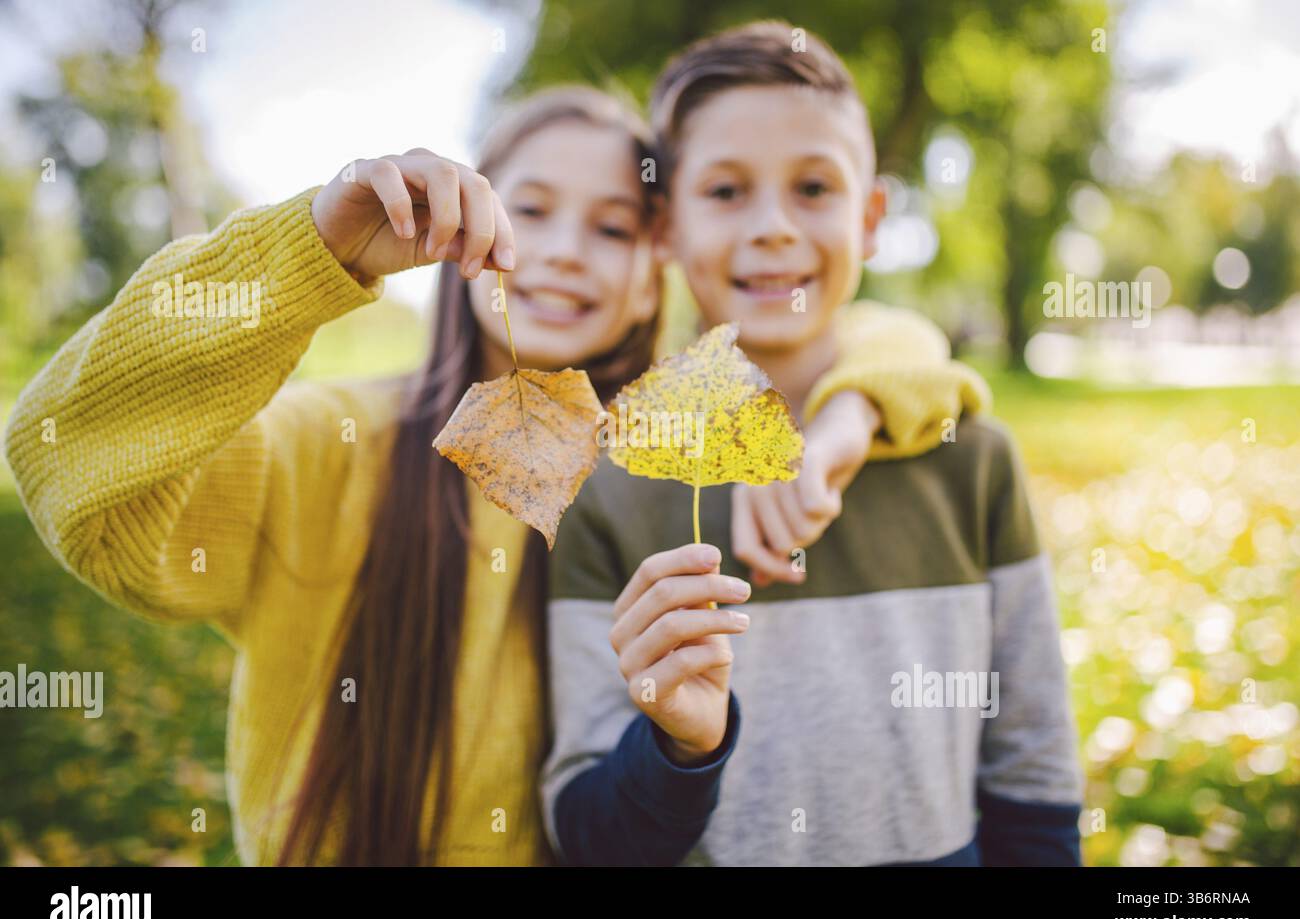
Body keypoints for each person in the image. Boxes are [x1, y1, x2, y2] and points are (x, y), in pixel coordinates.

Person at [4, 84, 983, 865]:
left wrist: (849, 404)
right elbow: (65, 450)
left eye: (611, 225)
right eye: (530, 209)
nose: (559, 252)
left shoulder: (672, 445)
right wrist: (309, 247)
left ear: (660, 262)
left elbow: (893, 338)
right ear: (459, 224)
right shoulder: (330, 444)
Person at [542, 23, 1084, 866]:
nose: (772, 228)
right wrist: (680, 749)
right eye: (725, 192)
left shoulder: (970, 455)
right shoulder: (609, 487)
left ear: (870, 219)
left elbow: (1034, 767)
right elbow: (585, 831)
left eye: (813, 187)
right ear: (667, 229)